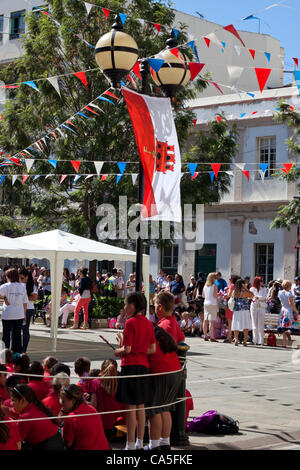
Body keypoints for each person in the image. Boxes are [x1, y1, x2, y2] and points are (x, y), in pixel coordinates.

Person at [114, 292, 156, 451]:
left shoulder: (130, 322)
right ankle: (139, 441)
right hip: (143, 366)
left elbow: (128, 349)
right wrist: (133, 349)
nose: (125, 308)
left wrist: (119, 350)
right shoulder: (149, 323)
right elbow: (152, 349)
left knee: (130, 408)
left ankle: (129, 444)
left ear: (132, 305)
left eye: (126, 304)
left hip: (130, 366)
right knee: (141, 406)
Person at [146, 326, 182, 451]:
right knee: (165, 409)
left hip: (161, 374)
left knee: (154, 410)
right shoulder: (164, 338)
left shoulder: (151, 339)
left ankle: (154, 445)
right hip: (175, 373)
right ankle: (165, 442)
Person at [11, 384, 64, 450]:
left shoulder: (25, 418)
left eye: (13, 400)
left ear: (23, 400)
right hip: (58, 443)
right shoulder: (35, 406)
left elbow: (16, 443)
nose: (11, 403)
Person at [60, 384, 109, 450]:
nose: (61, 403)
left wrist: (62, 426)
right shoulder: (92, 408)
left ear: (73, 401)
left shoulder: (71, 418)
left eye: (63, 401)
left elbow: (67, 444)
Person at [89, 360, 123, 439]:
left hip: (99, 424)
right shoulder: (118, 384)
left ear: (101, 370)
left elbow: (93, 404)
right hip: (114, 424)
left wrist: (83, 401)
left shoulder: (95, 383)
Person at [0, 268, 28, 354]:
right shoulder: (22, 286)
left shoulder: (4, 286)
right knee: (17, 336)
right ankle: (17, 355)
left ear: (8, 277)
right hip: (18, 314)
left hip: (7, 314)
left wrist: (5, 298)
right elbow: (25, 302)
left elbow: (0, 295)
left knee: (6, 336)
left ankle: (5, 355)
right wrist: (24, 314)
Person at [19, 268, 38, 353]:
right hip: (19, 309)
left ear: (27, 277)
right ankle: (19, 349)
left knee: (25, 329)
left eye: (22, 278)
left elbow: (34, 298)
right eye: (19, 278)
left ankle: (24, 350)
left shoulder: (33, 285)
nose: (21, 280)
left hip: (29, 309)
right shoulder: (19, 284)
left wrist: (23, 297)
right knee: (18, 330)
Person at [232, 279, 254, 347]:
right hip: (244, 310)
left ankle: (236, 339)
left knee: (236, 325)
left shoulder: (234, 291)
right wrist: (246, 288)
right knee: (245, 325)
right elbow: (252, 295)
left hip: (237, 310)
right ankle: (244, 341)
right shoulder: (245, 292)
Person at [278, 280, 299, 348]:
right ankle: (289, 331)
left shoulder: (280, 292)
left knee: (284, 327)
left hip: (283, 310)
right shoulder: (289, 293)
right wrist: (296, 311)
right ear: (289, 286)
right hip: (289, 310)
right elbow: (291, 303)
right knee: (293, 324)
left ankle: (284, 344)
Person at [250, 277, 267, 346]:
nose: (262, 282)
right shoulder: (252, 289)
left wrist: (257, 297)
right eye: (260, 281)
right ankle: (254, 340)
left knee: (261, 323)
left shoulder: (264, 289)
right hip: (254, 306)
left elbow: (264, 297)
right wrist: (258, 298)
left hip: (261, 307)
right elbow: (251, 297)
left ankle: (261, 341)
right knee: (254, 323)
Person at [202, 272, 218, 342]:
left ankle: (205, 335)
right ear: (213, 279)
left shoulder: (205, 285)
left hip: (206, 303)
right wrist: (219, 295)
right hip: (213, 303)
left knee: (205, 320)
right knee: (211, 321)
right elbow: (215, 296)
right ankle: (212, 336)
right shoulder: (214, 286)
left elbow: (203, 295)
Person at [224, 275, 240, 344]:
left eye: (230, 278)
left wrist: (224, 295)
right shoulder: (237, 286)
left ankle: (229, 337)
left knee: (230, 322)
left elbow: (229, 295)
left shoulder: (232, 285)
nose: (229, 279)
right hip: (236, 305)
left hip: (231, 305)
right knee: (235, 321)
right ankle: (235, 337)